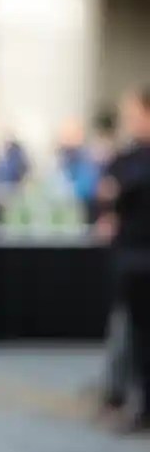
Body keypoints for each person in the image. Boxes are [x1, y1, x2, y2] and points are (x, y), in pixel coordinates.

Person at [96, 86, 150, 432]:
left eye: (134, 114)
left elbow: (118, 191)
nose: (129, 121)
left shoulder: (136, 165)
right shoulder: (128, 157)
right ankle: (128, 397)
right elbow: (106, 193)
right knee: (131, 334)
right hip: (132, 258)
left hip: (141, 257)